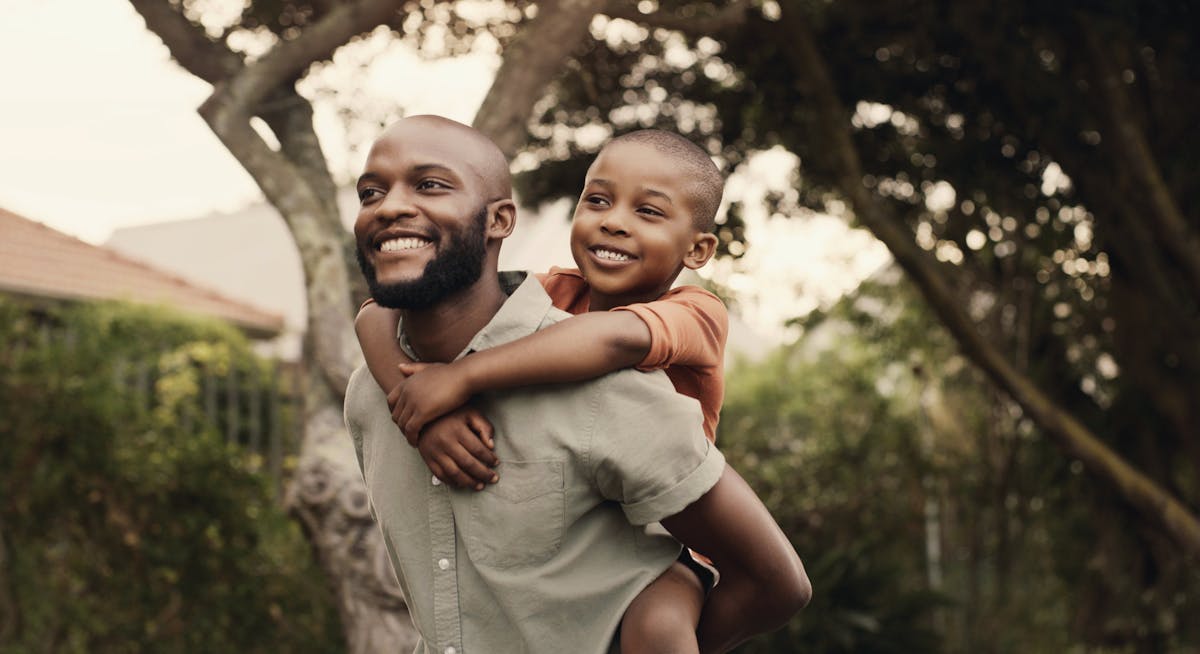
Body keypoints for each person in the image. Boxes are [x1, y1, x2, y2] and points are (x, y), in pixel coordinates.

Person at [344, 114, 810, 654]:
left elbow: (612, 340)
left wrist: (459, 379)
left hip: (677, 545)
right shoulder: (552, 292)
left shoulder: (688, 319)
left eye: (649, 212)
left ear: (698, 250)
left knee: (657, 630)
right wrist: (419, 415)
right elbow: (374, 315)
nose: (614, 223)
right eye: (597, 201)